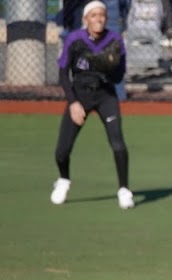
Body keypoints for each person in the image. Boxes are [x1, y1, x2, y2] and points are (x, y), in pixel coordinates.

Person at [51, 0, 134, 210]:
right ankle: (64, 179)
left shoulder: (114, 40)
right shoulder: (75, 40)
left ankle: (124, 189)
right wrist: (73, 103)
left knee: (118, 144)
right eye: (94, 15)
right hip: (80, 96)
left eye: (102, 15)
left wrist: (111, 65)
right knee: (62, 151)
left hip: (105, 95)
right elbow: (63, 74)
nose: (99, 18)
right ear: (85, 19)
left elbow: (118, 77)